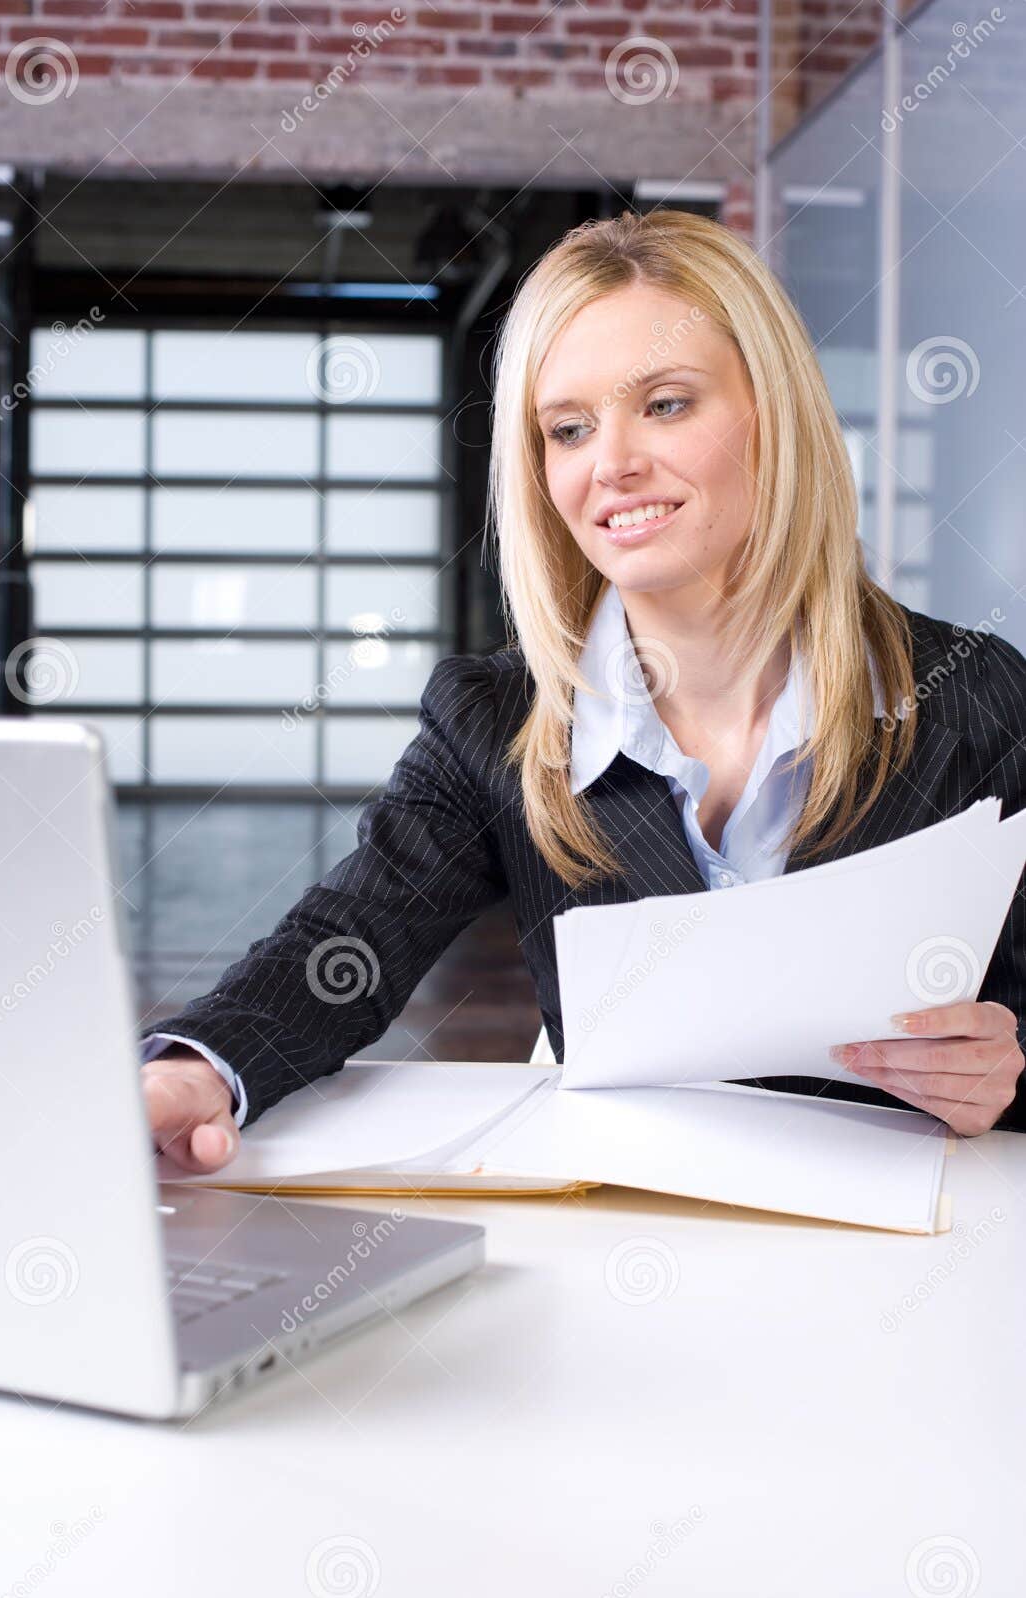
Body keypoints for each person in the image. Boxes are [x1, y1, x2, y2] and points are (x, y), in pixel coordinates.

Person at [139, 209, 1026, 1174]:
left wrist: (1002, 1071)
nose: (610, 464)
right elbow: (347, 941)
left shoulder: (970, 698)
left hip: (897, 1257)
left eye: (666, 404)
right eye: (567, 428)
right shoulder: (496, 723)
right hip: (621, 1240)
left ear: (774, 415)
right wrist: (194, 1069)